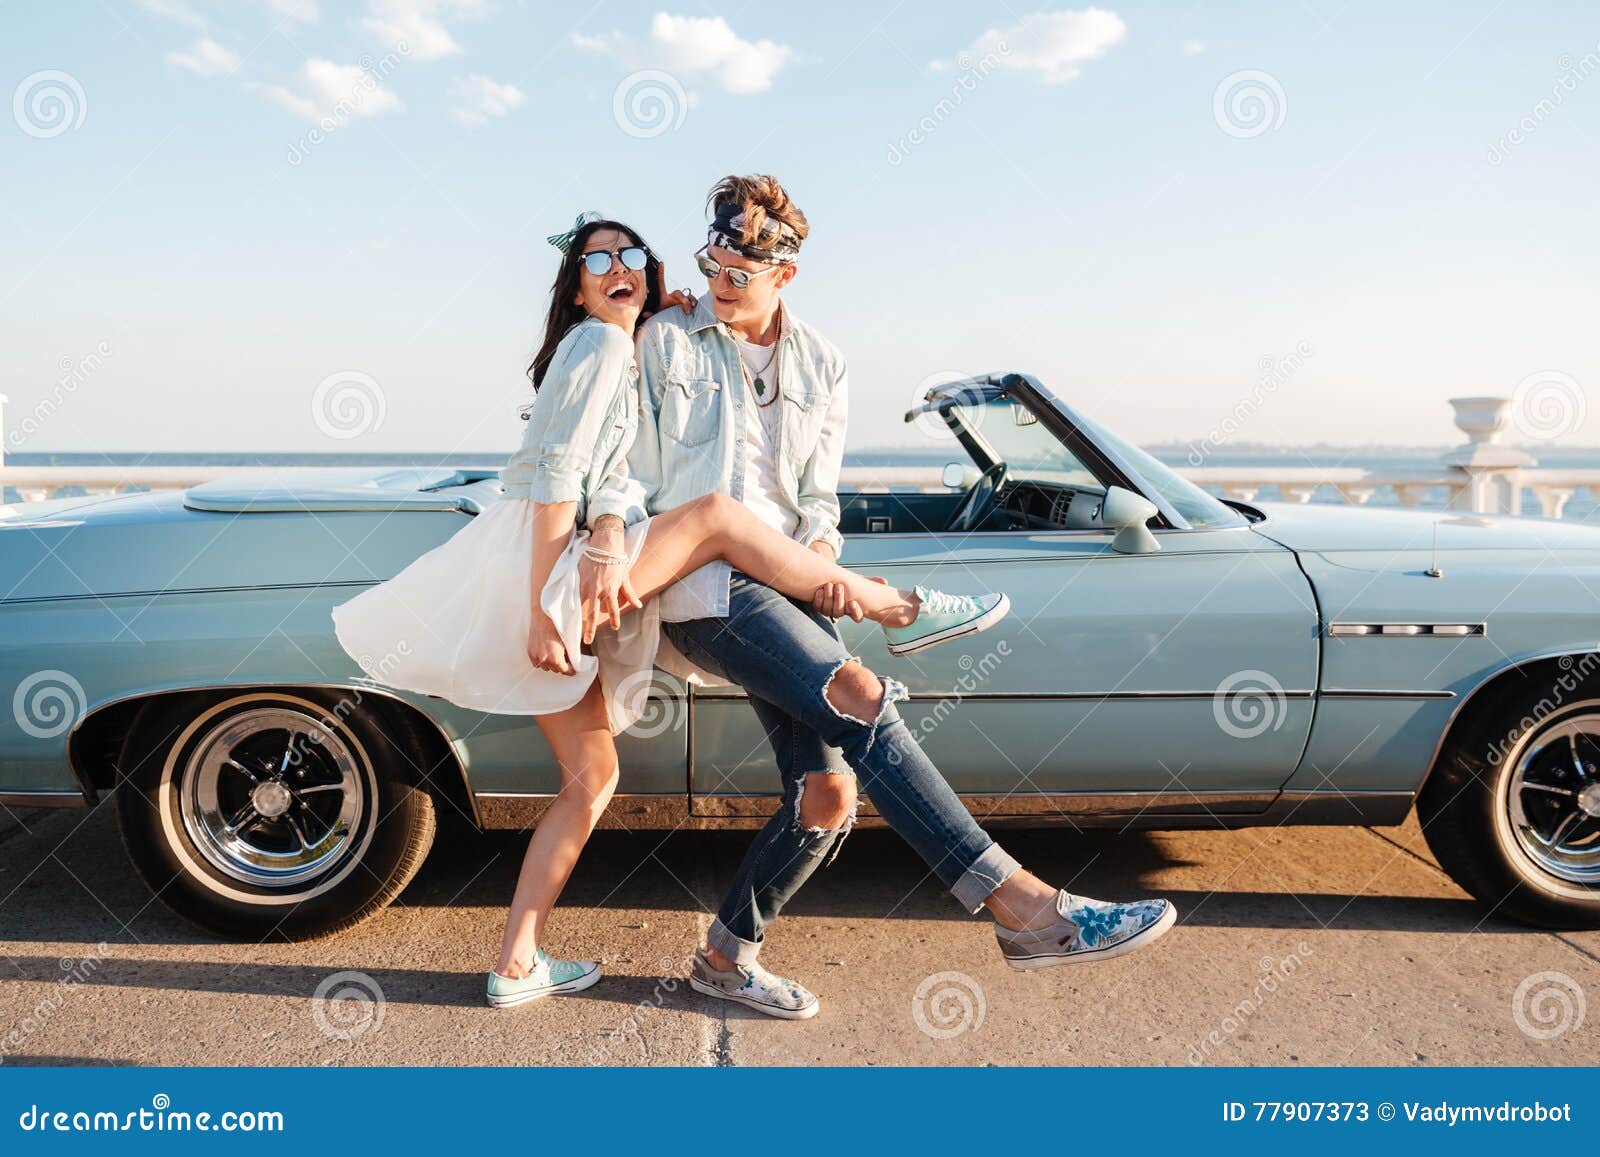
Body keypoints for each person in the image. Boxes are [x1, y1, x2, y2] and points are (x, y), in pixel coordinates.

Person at [331, 212, 1011, 1009]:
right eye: (598, 260)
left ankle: (518, 962)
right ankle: (898, 607)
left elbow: (611, 475)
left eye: (632, 255)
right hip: (548, 570)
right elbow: (553, 478)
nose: (620, 266)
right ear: (577, 288)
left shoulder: (651, 343)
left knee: (594, 777)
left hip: (578, 566)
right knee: (717, 516)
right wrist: (546, 606)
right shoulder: (612, 344)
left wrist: (617, 528)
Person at [582, 176, 1177, 1020]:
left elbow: (819, 500)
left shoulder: (823, 363)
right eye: (714, 259)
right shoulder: (665, 341)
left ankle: (723, 958)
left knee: (826, 797)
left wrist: (821, 561)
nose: (721, 279)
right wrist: (610, 534)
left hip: (792, 583)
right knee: (861, 697)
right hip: (703, 583)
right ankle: (1027, 908)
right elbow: (615, 459)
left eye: (741, 271)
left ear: (783, 274)